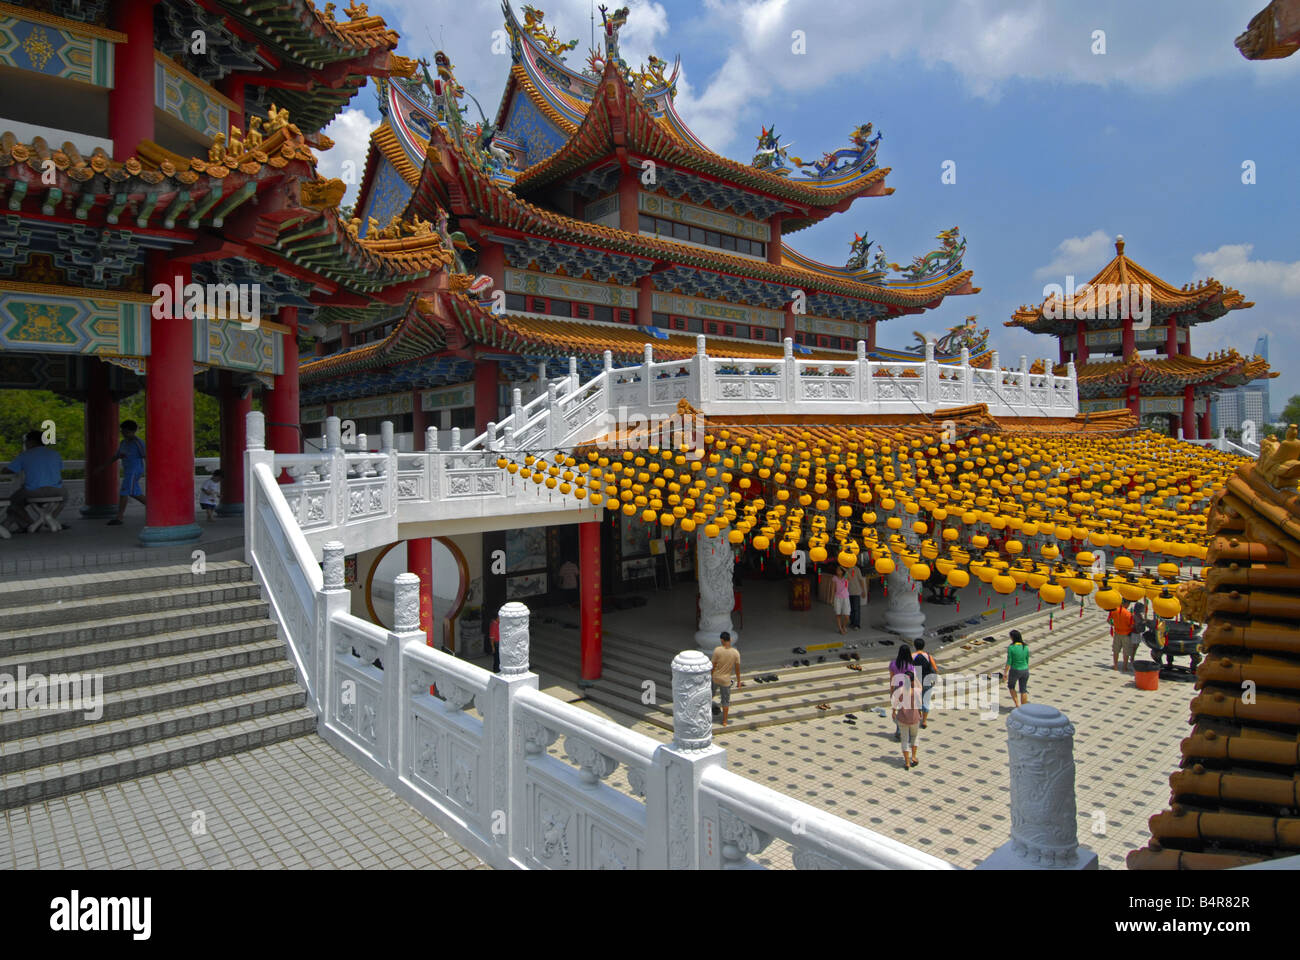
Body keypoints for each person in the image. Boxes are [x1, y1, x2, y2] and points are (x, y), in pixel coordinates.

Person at [1, 430, 66, 532]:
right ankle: (48, 519)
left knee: (12, 502)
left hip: (34, 491)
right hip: (57, 490)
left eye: (25, 442)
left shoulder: (25, 455)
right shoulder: (55, 454)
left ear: (31, 442)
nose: (25, 444)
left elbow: (8, 471)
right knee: (65, 497)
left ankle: (31, 523)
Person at [98, 420, 146, 526]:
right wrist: (103, 466)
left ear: (131, 431)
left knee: (124, 492)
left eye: (125, 431)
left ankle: (119, 517)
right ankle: (154, 508)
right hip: (128, 471)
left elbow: (146, 456)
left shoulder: (138, 443)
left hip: (135, 471)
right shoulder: (123, 443)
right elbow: (117, 456)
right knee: (134, 493)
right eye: (122, 431)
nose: (123, 433)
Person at [889, 645, 921, 769]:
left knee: (904, 737)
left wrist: (891, 690)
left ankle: (907, 762)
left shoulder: (893, 664)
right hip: (914, 714)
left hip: (898, 689)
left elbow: (891, 678)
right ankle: (914, 756)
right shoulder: (911, 666)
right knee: (914, 737)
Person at [710, 631, 742, 726]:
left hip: (715, 678)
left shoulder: (717, 650)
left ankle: (706, 717)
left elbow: (713, 665)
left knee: (709, 697)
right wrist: (739, 681)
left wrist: (710, 676)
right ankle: (724, 721)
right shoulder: (735, 653)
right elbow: (737, 669)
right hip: (726, 680)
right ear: (730, 640)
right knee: (725, 701)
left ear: (722, 640)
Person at [913, 638, 939, 728]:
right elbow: (935, 669)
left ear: (914, 645)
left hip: (917, 681)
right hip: (927, 680)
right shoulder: (928, 656)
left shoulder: (912, 656)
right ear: (923, 646)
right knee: (926, 701)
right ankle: (924, 721)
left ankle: (918, 717)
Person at [1109, 598, 1135, 672]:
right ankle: (1124, 667)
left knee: (1116, 650)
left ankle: (1115, 666)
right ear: (1126, 604)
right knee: (1126, 651)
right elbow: (1132, 625)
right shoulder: (1128, 614)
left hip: (1117, 632)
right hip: (1126, 634)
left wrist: (1115, 624)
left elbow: (1109, 620)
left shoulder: (1114, 610)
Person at [1005, 629, 1030, 707]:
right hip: (1025, 670)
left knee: (1011, 686)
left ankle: (1017, 705)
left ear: (1013, 638)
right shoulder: (1025, 646)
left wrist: (1005, 672)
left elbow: (1009, 661)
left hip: (1015, 670)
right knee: (1023, 689)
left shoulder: (1011, 647)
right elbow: (1027, 659)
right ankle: (1024, 707)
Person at [846, 561, 866, 629]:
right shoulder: (846, 570)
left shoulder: (857, 569)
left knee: (856, 609)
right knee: (851, 608)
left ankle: (856, 624)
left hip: (856, 592)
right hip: (848, 592)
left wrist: (863, 590)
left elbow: (861, 580)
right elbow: (845, 580)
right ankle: (852, 622)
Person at [831, 566, 850, 634]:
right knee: (838, 614)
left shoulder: (845, 577)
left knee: (847, 616)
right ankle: (840, 629)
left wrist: (843, 568)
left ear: (842, 571)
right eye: (837, 570)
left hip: (845, 598)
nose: (837, 571)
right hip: (837, 598)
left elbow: (849, 576)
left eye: (839, 570)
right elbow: (833, 589)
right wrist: (832, 599)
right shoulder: (834, 578)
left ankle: (843, 626)